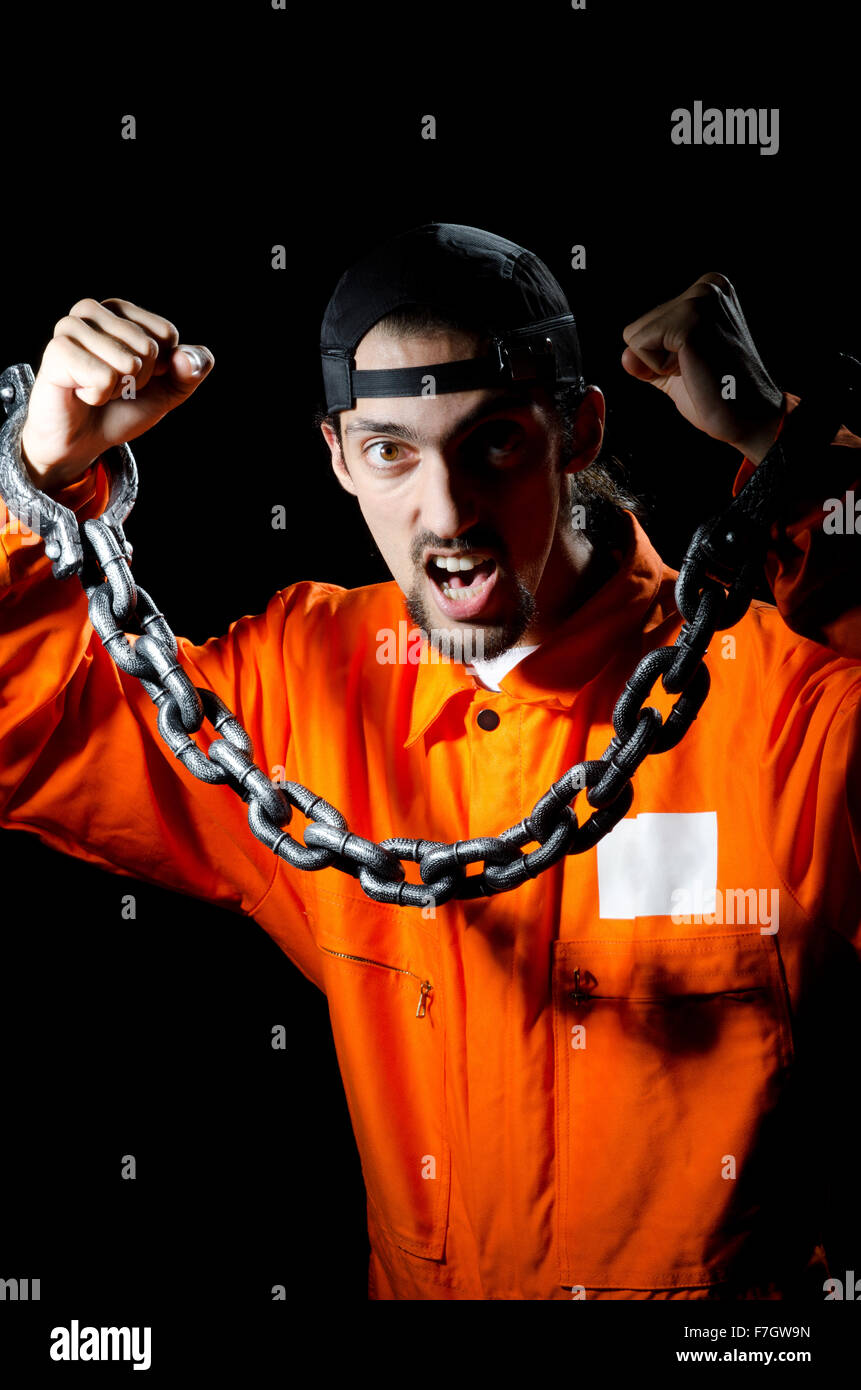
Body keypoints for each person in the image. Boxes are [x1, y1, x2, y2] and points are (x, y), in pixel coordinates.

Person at [1, 223, 859, 1301]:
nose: (447, 512)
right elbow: (29, 733)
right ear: (337, 457)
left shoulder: (776, 709)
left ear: (579, 430)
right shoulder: (307, 687)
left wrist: (794, 455)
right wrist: (43, 473)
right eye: (393, 451)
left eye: (494, 441)